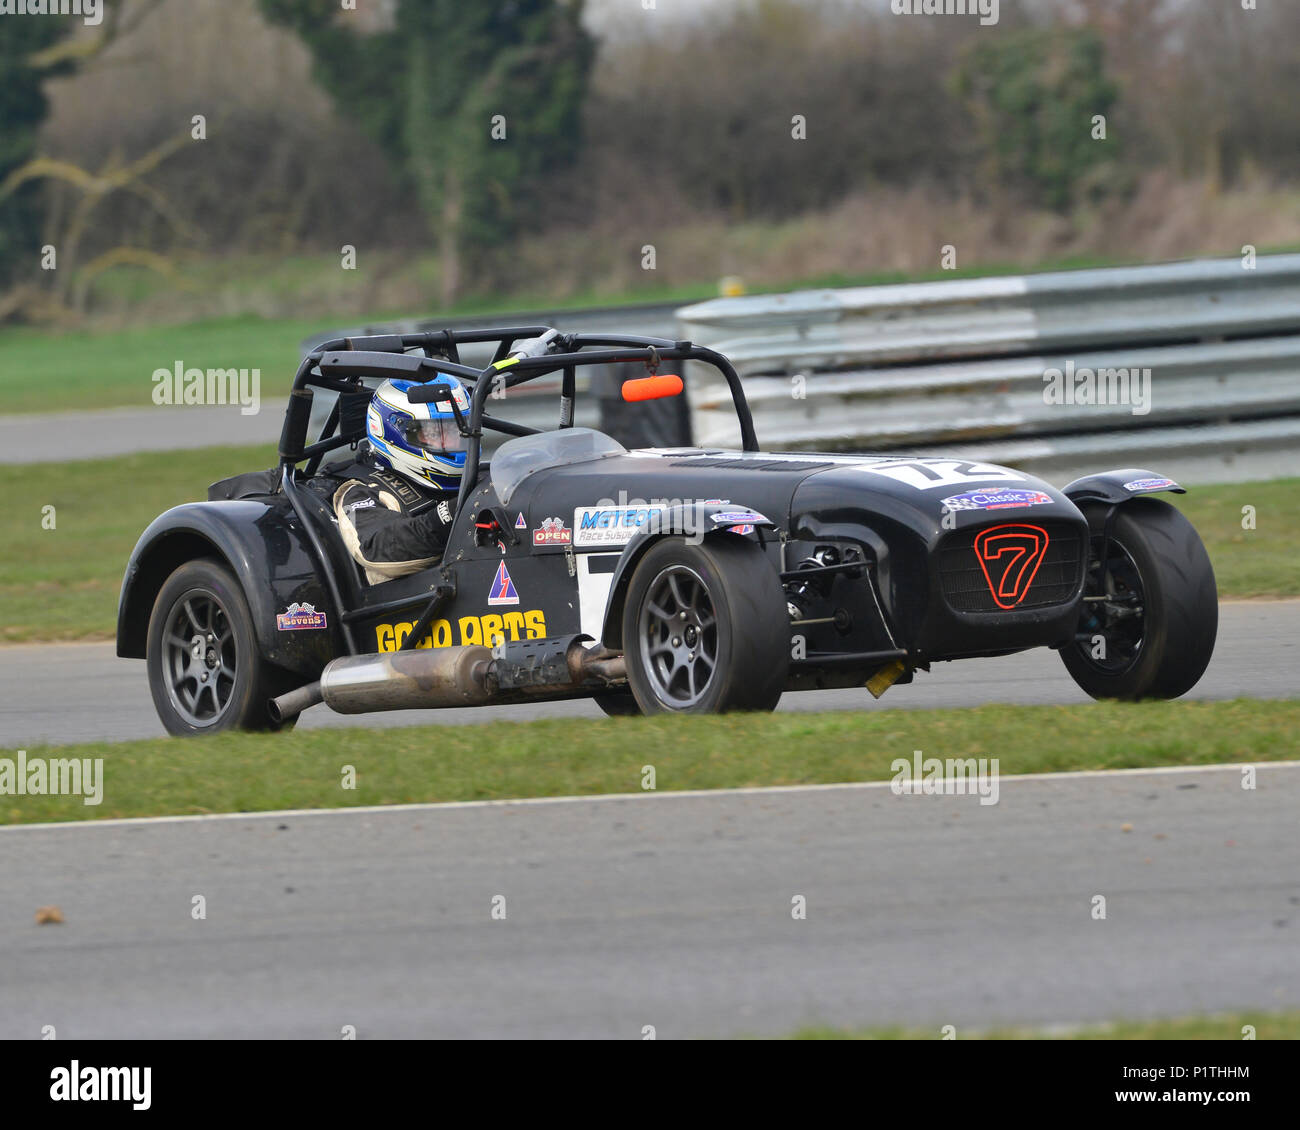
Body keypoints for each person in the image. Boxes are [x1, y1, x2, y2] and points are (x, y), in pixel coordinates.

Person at [333, 375, 468, 583]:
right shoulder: (362, 491)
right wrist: (453, 513)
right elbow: (379, 550)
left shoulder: (482, 478)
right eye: (433, 433)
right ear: (390, 430)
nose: (452, 441)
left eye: (458, 430)